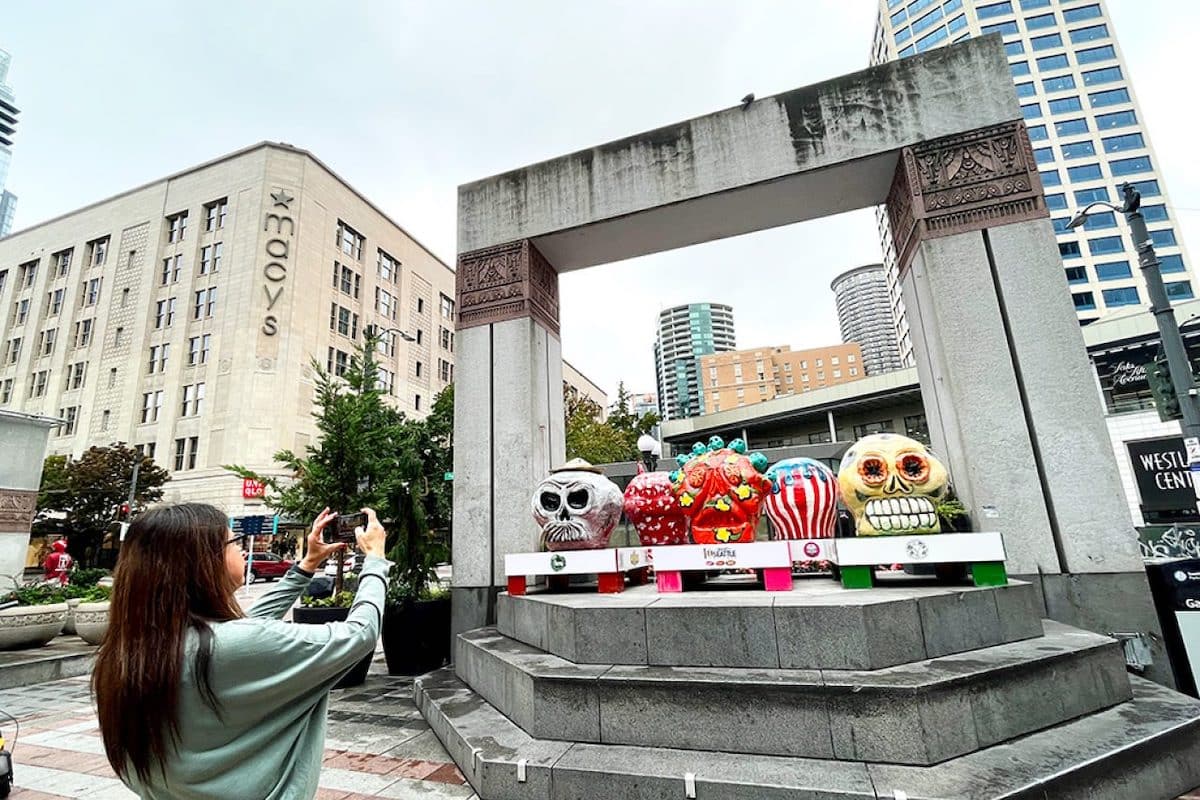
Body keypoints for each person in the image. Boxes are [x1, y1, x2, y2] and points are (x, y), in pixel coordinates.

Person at [92, 503, 390, 800]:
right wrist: (375, 560)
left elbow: (245, 629)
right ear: (202, 562)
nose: (243, 551)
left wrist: (306, 565)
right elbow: (359, 635)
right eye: (233, 542)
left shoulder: (131, 651)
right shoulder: (228, 647)